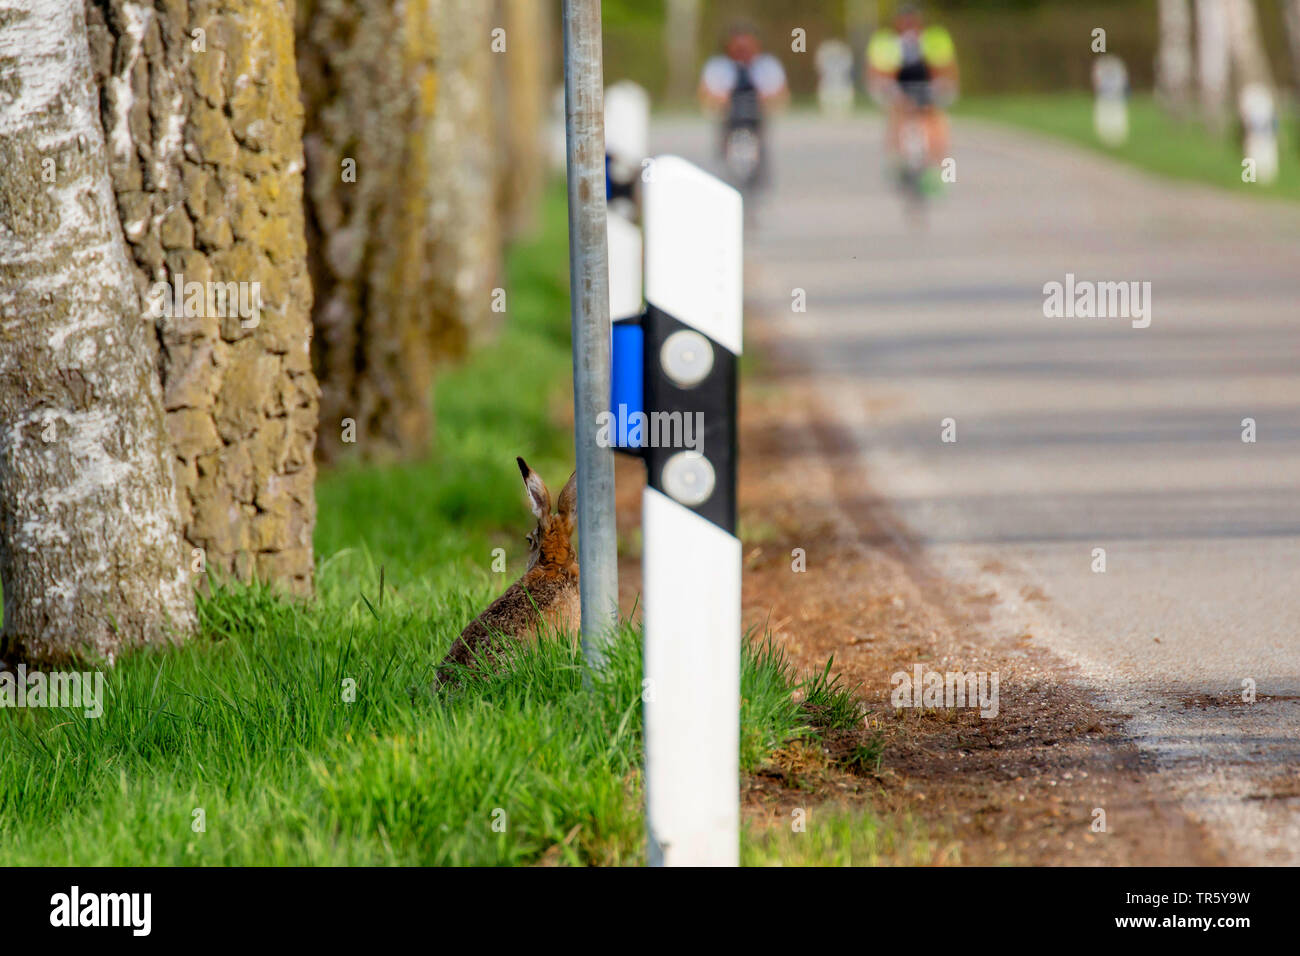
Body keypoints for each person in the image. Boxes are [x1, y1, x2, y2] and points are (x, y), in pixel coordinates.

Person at [867, 4, 958, 183]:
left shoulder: (934, 38)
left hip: (927, 84)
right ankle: (898, 159)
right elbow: (879, 71)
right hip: (899, 86)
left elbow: (944, 68)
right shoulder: (885, 41)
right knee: (897, 116)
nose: (909, 26)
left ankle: (936, 167)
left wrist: (944, 88)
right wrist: (886, 90)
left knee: (936, 120)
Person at [698, 22, 788, 193]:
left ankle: (759, 169)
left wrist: (769, 99)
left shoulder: (766, 65)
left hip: (756, 115)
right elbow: (706, 91)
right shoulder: (718, 66)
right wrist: (718, 100)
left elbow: (780, 91)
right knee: (724, 136)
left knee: (760, 139)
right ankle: (724, 163)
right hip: (729, 115)